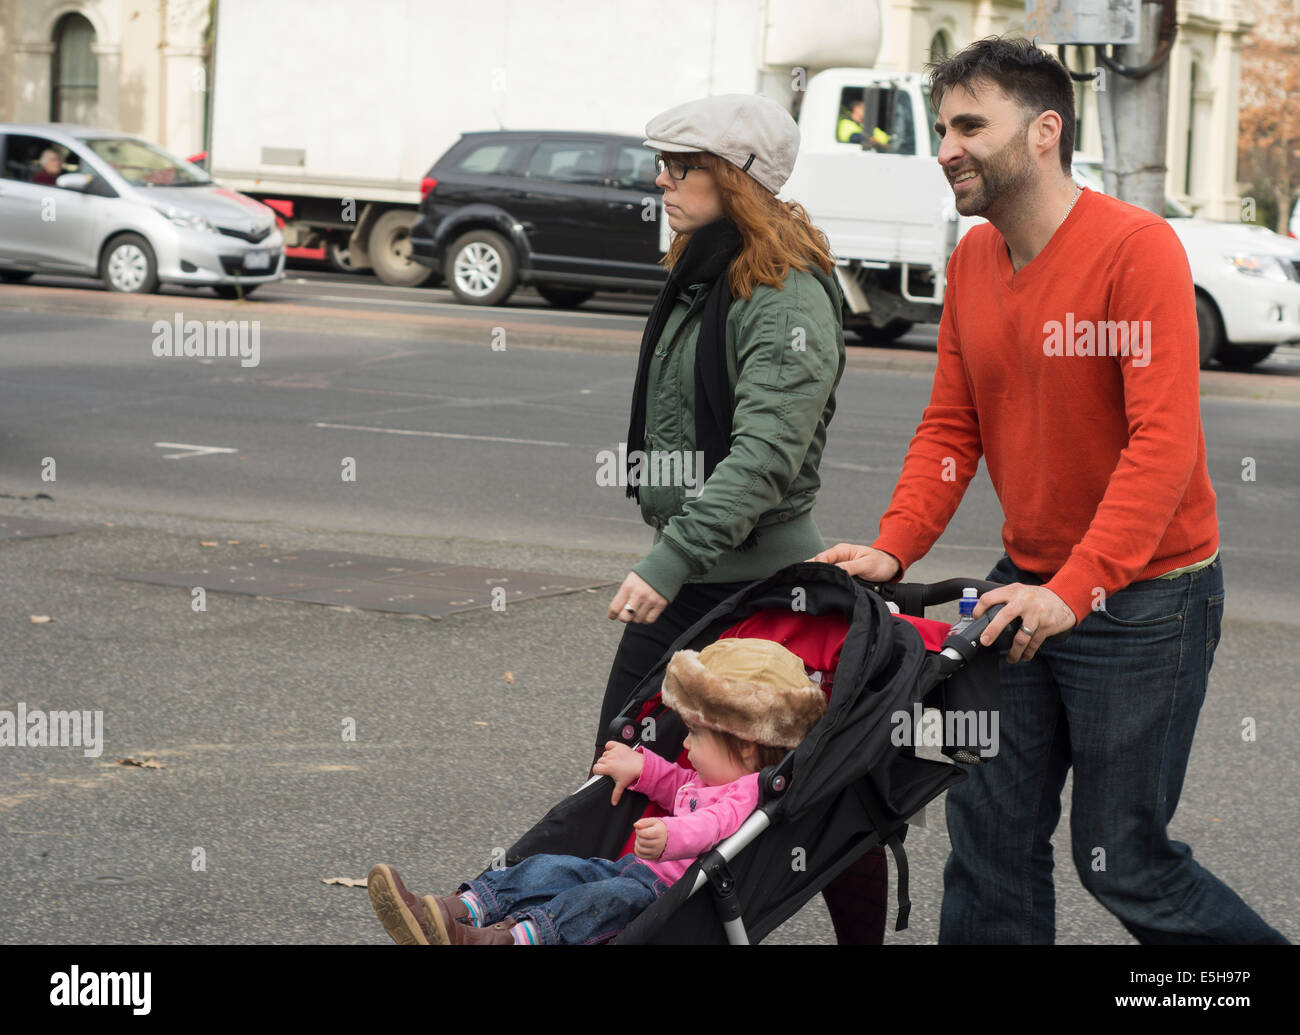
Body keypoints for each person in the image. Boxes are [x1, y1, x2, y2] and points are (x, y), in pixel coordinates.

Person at [815, 37, 1289, 945]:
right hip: (1022, 587)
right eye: (941, 127)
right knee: (987, 835)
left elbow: (1163, 445)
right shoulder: (973, 262)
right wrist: (894, 544)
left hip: (1145, 598)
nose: (945, 146)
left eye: (968, 125)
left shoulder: (1135, 250)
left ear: (1043, 131)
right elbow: (953, 428)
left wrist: (1074, 591)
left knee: (1125, 862)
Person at [591, 92, 889, 944]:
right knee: (625, 771)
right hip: (696, 576)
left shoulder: (785, 293)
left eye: (682, 166)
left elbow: (762, 459)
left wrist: (667, 560)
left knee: (806, 798)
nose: (663, 179)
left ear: (738, 178)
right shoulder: (703, 271)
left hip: (760, 591)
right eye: (663, 162)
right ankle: (578, 920)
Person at [367, 638, 826, 945]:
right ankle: (455, 909)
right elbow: (675, 782)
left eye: (696, 734)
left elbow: (714, 826)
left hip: (662, 898)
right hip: (624, 868)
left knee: (589, 905)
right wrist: (641, 765)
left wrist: (672, 838)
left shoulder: (749, 794)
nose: (684, 744)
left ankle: (506, 939)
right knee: (549, 868)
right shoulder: (709, 776)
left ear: (746, 746)